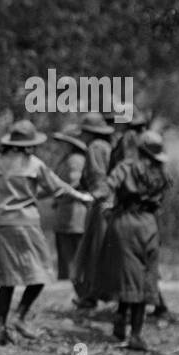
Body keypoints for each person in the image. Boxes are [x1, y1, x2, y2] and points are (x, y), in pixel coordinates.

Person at [0, 120, 93, 345]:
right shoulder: (34, 164)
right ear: (28, 145)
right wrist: (82, 197)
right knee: (40, 273)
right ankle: (20, 316)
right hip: (27, 224)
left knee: (7, 279)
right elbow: (57, 186)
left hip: (1, 225)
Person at [99, 131, 172, 351]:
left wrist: (106, 207)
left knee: (127, 274)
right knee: (144, 276)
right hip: (149, 224)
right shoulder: (161, 173)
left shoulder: (126, 167)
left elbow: (106, 189)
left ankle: (122, 323)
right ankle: (136, 334)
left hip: (125, 223)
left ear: (141, 149)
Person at [69, 115, 115, 309]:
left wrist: (92, 196)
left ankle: (92, 295)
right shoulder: (107, 146)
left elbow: (98, 178)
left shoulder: (95, 147)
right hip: (109, 201)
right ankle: (92, 295)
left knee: (95, 251)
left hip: (101, 203)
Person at [50, 129, 88, 281]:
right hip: (66, 213)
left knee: (75, 256)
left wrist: (58, 193)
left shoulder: (75, 160)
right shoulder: (67, 159)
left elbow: (74, 184)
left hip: (74, 214)